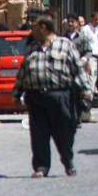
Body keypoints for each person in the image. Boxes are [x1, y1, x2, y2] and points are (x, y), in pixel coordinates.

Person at [13, 14, 90, 177]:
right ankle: (41, 167)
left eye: (34, 28)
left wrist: (86, 89)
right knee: (38, 134)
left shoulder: (65, 45)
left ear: (43, 28)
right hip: (36, 97)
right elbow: (23, 72)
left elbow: (77, 68)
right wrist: (17, 92)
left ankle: (68, 161)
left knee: (64, 132)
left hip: (61, 96)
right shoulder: (31, 48)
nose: (31, 31)